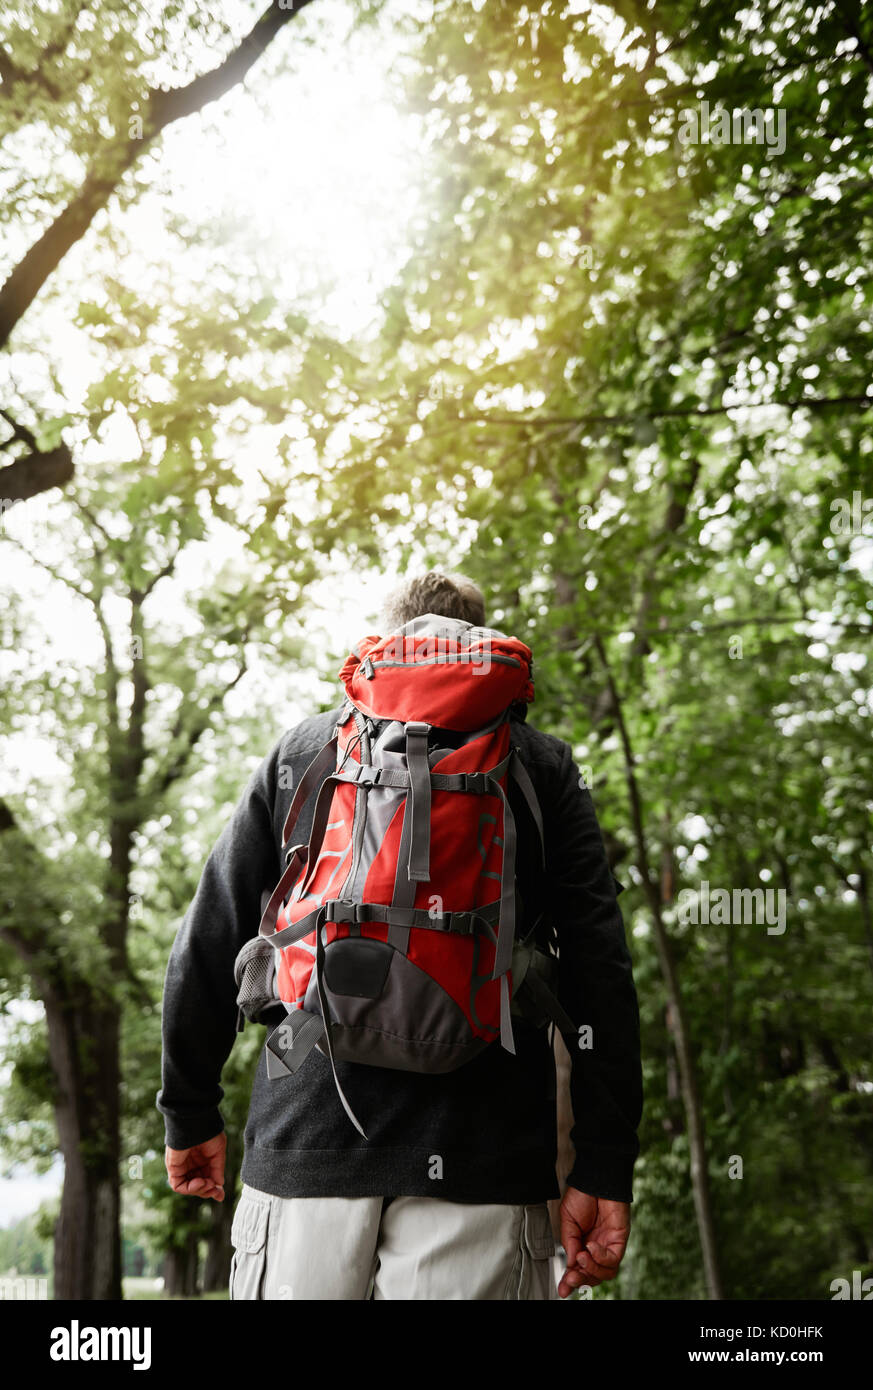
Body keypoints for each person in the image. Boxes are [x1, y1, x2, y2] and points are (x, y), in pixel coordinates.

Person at [157, 571, 643, 1300]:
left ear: (383, 642)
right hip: (484, 1160)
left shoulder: (307, 751)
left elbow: (210, 929)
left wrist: (188, 1108)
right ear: (484, 643)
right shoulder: (541, 764)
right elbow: (599, 970)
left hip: (306, 1141)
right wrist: (603, 1165)